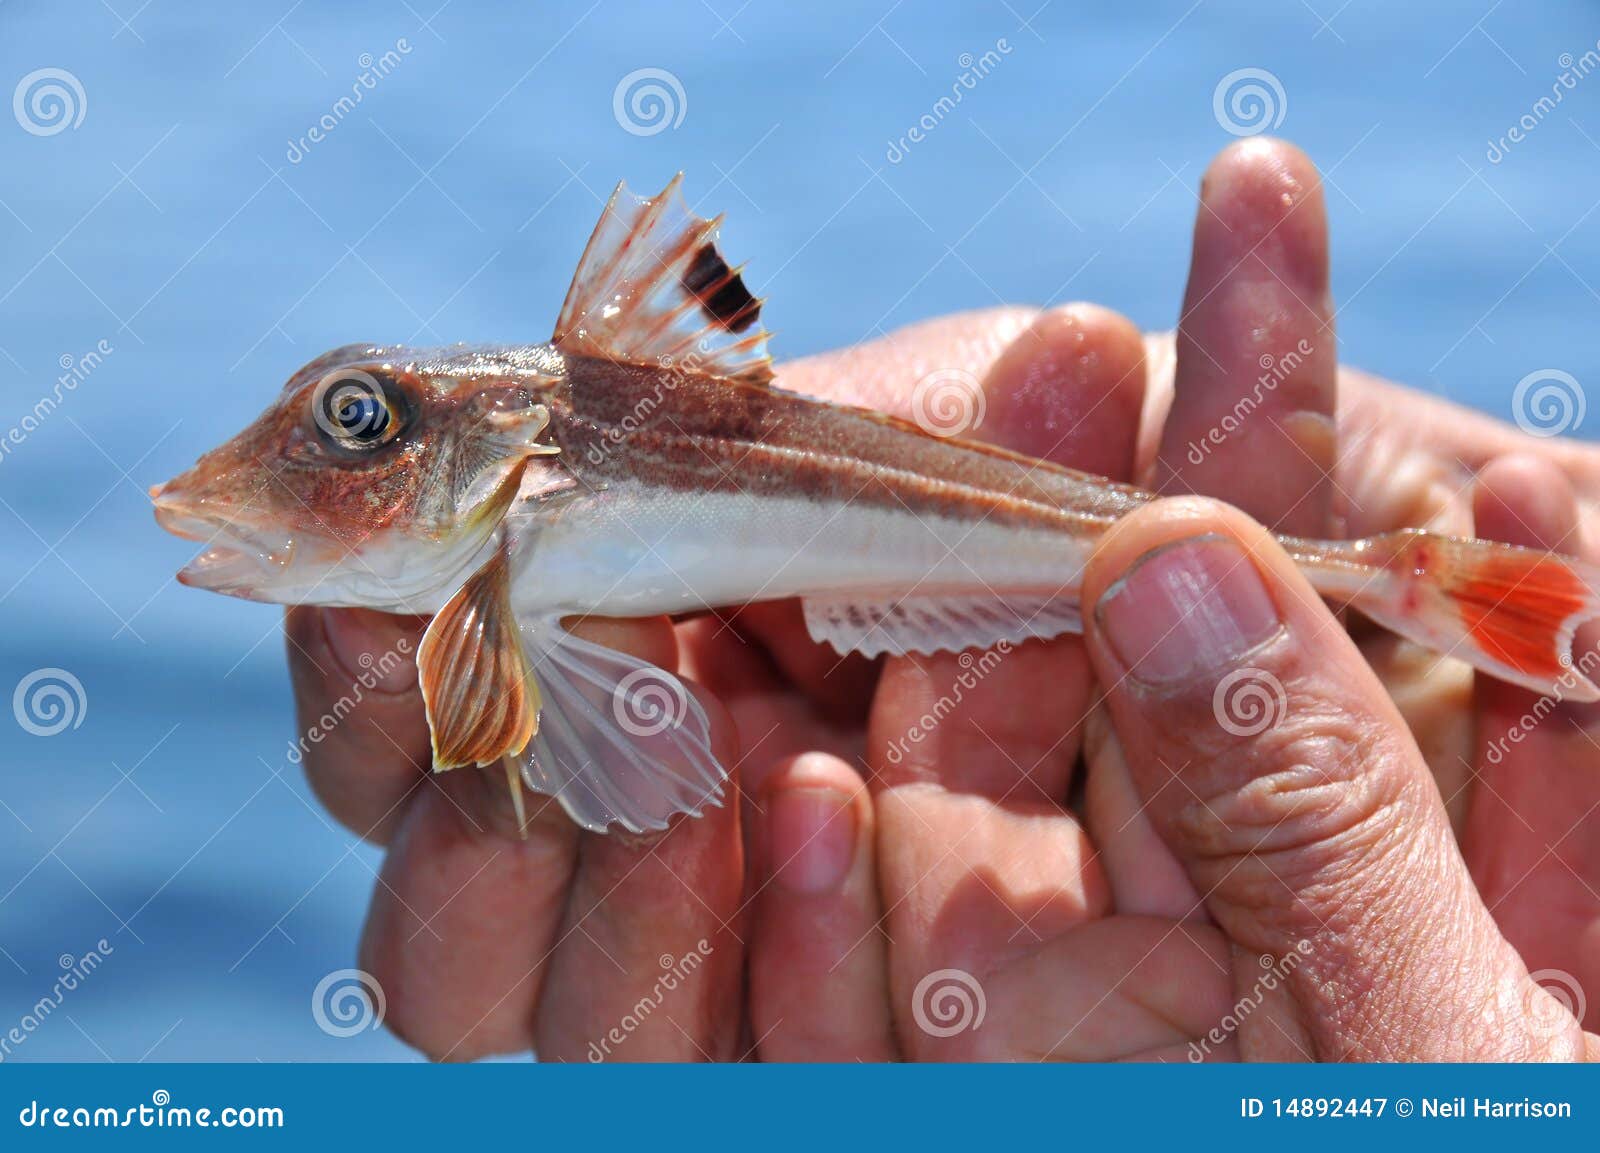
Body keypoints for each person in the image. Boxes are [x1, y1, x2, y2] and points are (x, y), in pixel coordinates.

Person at [284, 136, 1600, 1061]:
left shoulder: (520, 518)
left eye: (357, 424)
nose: (305, 472)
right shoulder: (494, 574)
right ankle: (1387, 582)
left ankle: (1376, 581)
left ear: (493, 446)